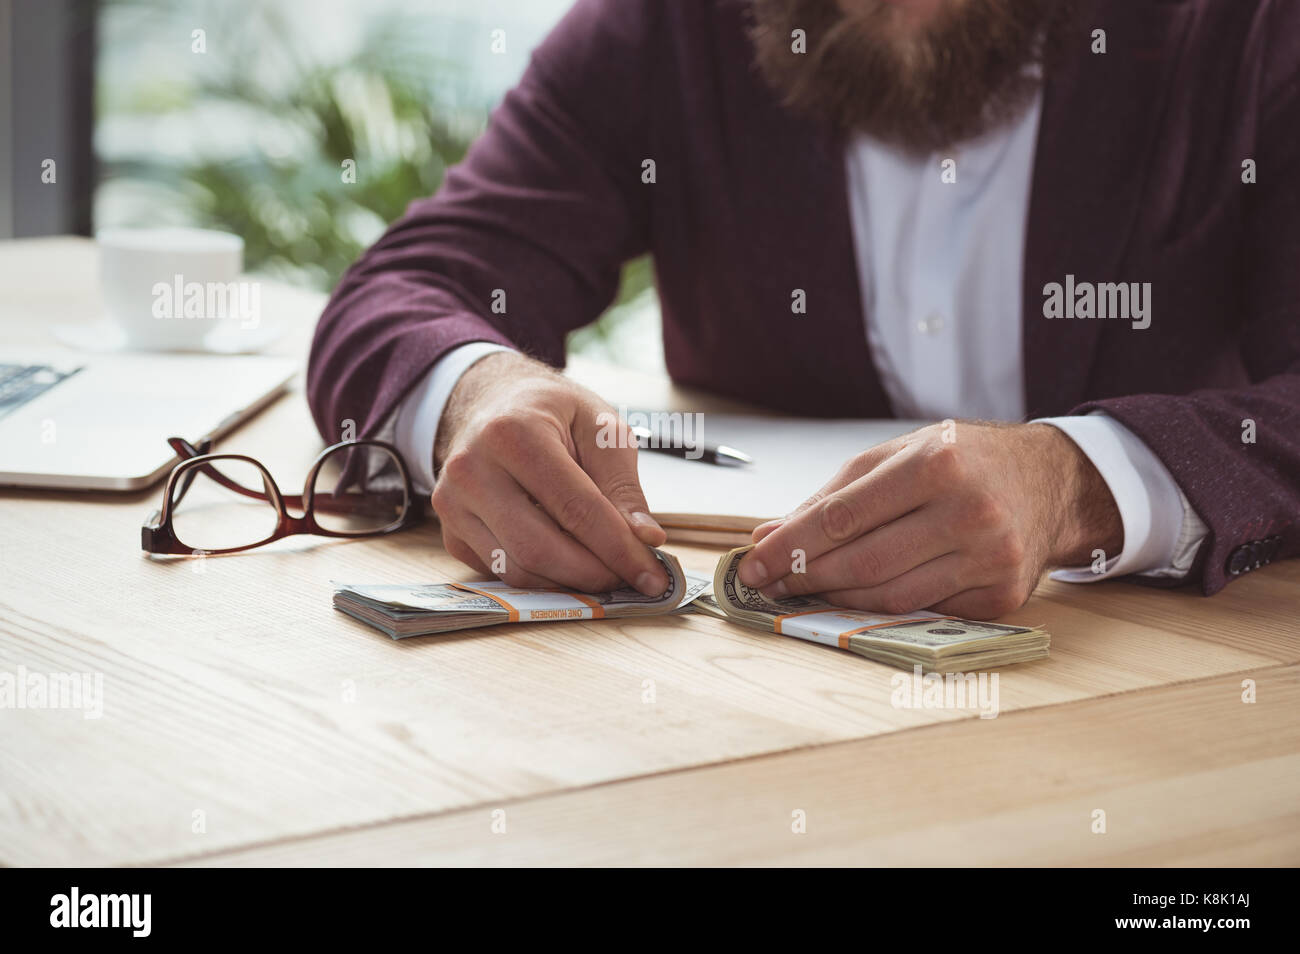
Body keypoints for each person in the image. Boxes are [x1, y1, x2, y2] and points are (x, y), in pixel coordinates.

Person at [308, 0, 1300, 619]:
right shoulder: (664, 31)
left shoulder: (1249, 31)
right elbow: (408, 289)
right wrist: (479, 395)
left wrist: (1079, 483)